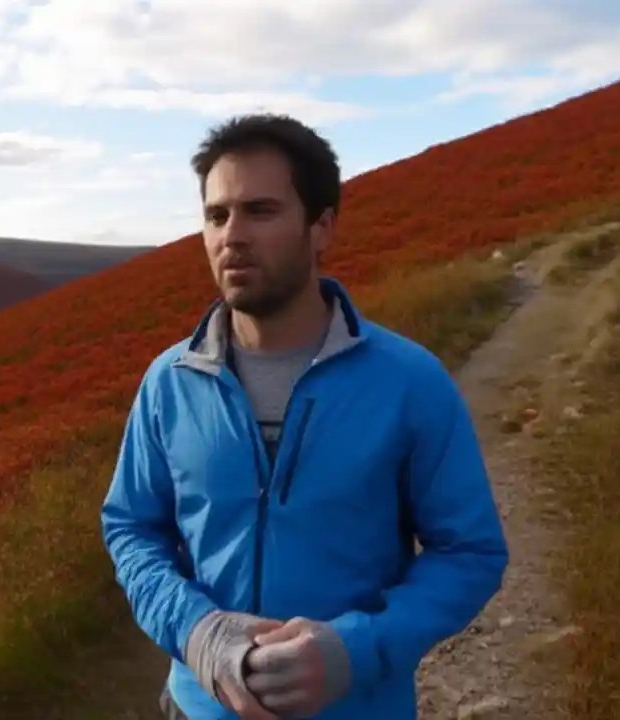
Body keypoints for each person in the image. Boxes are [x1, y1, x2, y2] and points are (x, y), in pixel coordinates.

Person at [100, 113, 509, 720]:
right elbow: (132, 529)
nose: (231, 236)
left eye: (260, 211)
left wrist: (354, 651)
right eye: (217, 215)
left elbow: (470, 551)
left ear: (321, 228)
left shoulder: (407, 381)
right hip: (199, 705)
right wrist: (198, 634)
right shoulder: (170, 382)